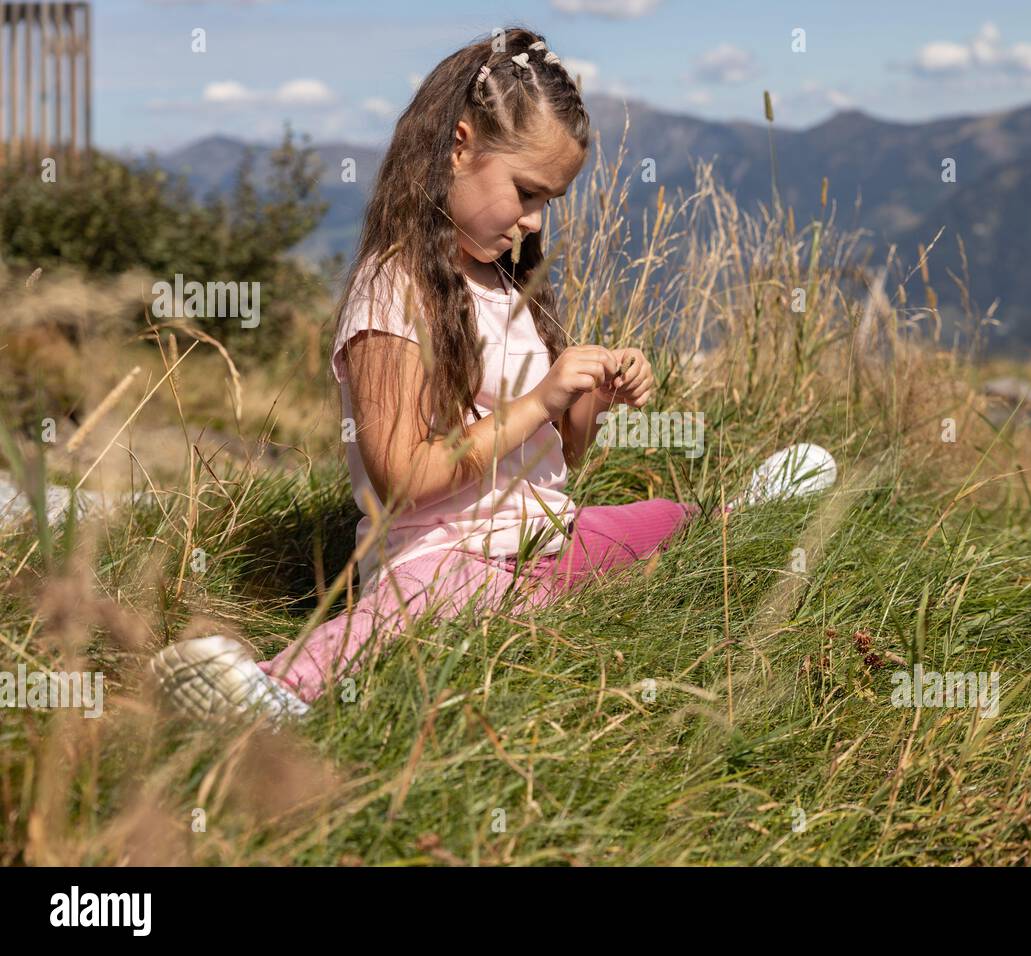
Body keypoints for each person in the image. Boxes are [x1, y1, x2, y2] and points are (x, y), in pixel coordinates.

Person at [149, 28, 837, 726]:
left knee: (663, 522)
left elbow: (555, 461)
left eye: (550, 201)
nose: (534, 219)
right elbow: (403, 477)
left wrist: (584, 401)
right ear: (459, 144)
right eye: (526, 191)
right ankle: (278, 690)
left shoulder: (510, 287)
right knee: (416, 606)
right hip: (443, 553)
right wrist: (540, 397)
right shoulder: (394, 291)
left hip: (543, 538)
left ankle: (744, 517)